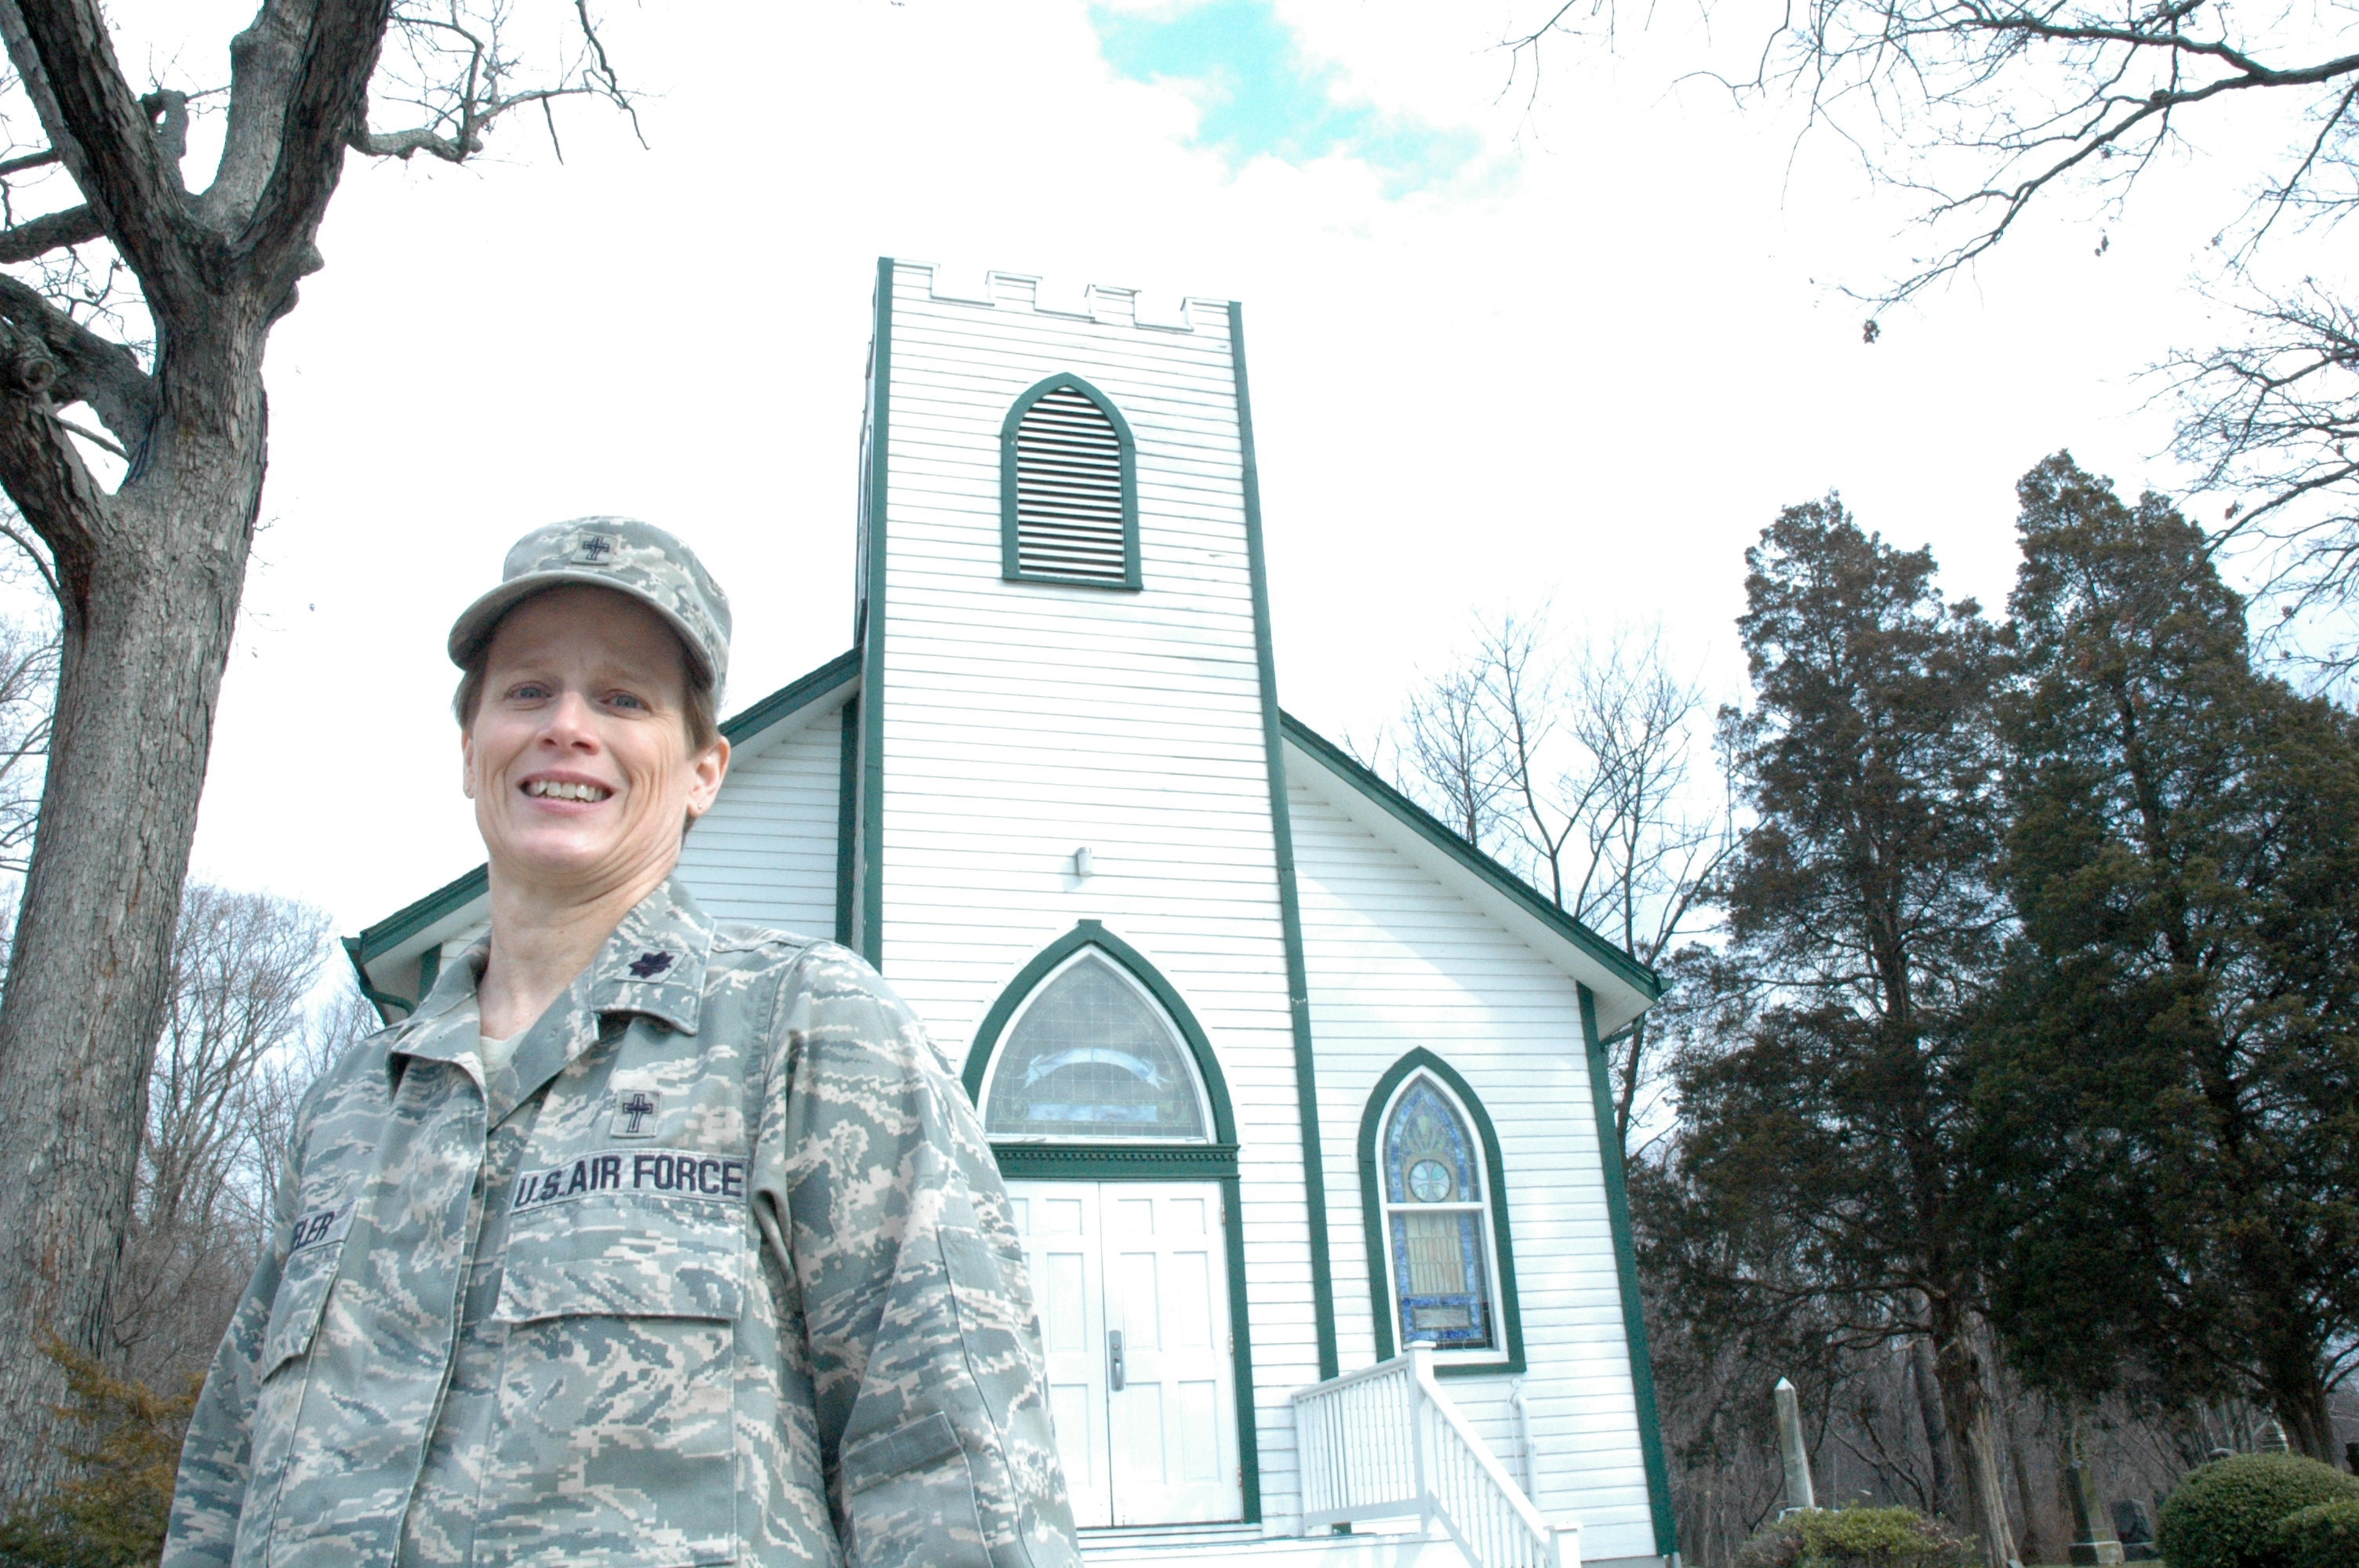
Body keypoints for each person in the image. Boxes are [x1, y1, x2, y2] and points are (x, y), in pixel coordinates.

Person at [162, 519, 1079, 1568]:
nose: (566, 726)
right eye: (527, 692)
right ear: (470, 751)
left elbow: (956, 1476)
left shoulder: (807, 1038)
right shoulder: (351, 1108)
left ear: (703, 771)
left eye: (623, 700)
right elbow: (222, 1486)